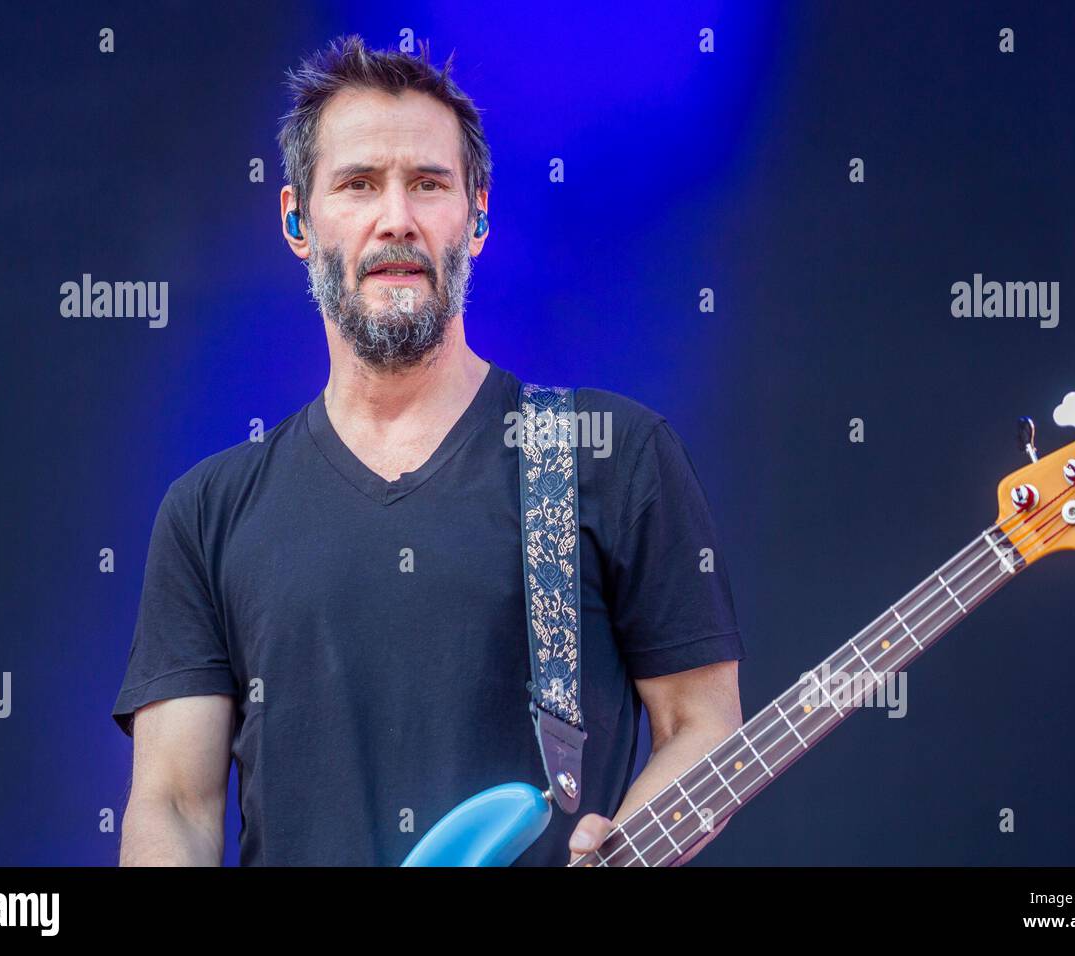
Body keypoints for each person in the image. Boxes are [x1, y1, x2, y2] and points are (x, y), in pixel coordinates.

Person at [112, 34, 744, 866]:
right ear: (297, 219)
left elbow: (703, 723)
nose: (396, 219)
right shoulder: (207, 512)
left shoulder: (609, 456)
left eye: (428, 184)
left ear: (477, 217)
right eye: (358, 184)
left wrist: (622, 844)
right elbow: (172, 803)